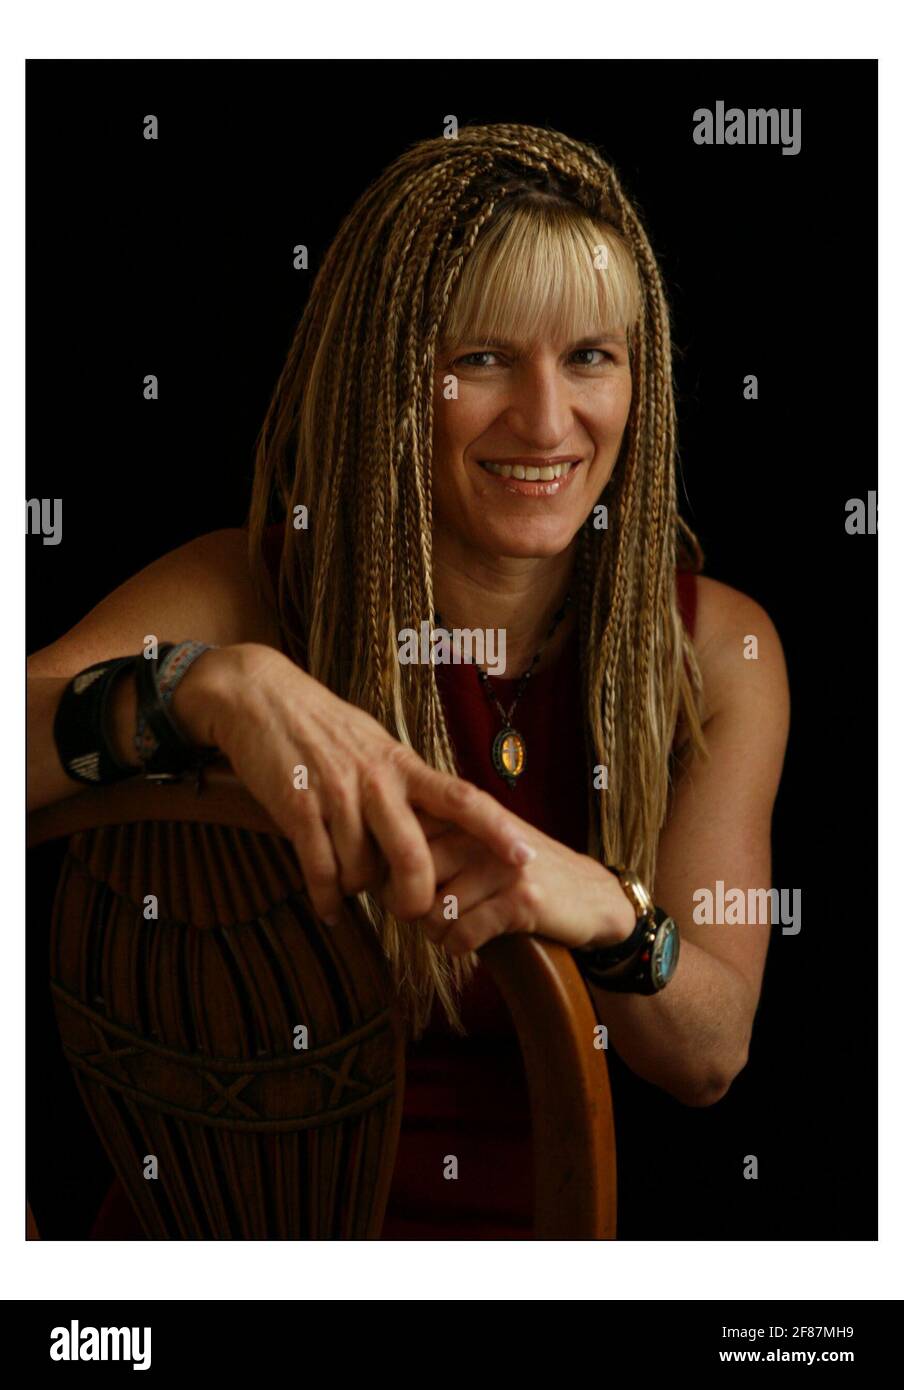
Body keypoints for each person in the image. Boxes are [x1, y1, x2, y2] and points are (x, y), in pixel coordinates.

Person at [27, 123, 789, 1239]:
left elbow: (710, 1056)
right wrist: (207, 686)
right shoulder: (255, 588)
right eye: (479, 357)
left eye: (589, 355)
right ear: (392, 374)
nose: (545, 420)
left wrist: (608, 913)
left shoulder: (716, 651)